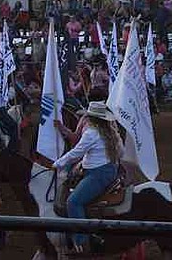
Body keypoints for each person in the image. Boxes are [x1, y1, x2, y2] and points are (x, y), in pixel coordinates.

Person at [52, 101, 122, 253]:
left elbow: (76, 153)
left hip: (97, 174)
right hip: (108, 170)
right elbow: (119, 152)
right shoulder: (109, 130)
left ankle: (82, 243)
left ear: (91, 117)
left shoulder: (91, 133)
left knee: (73, 202)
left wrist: (56, 164)